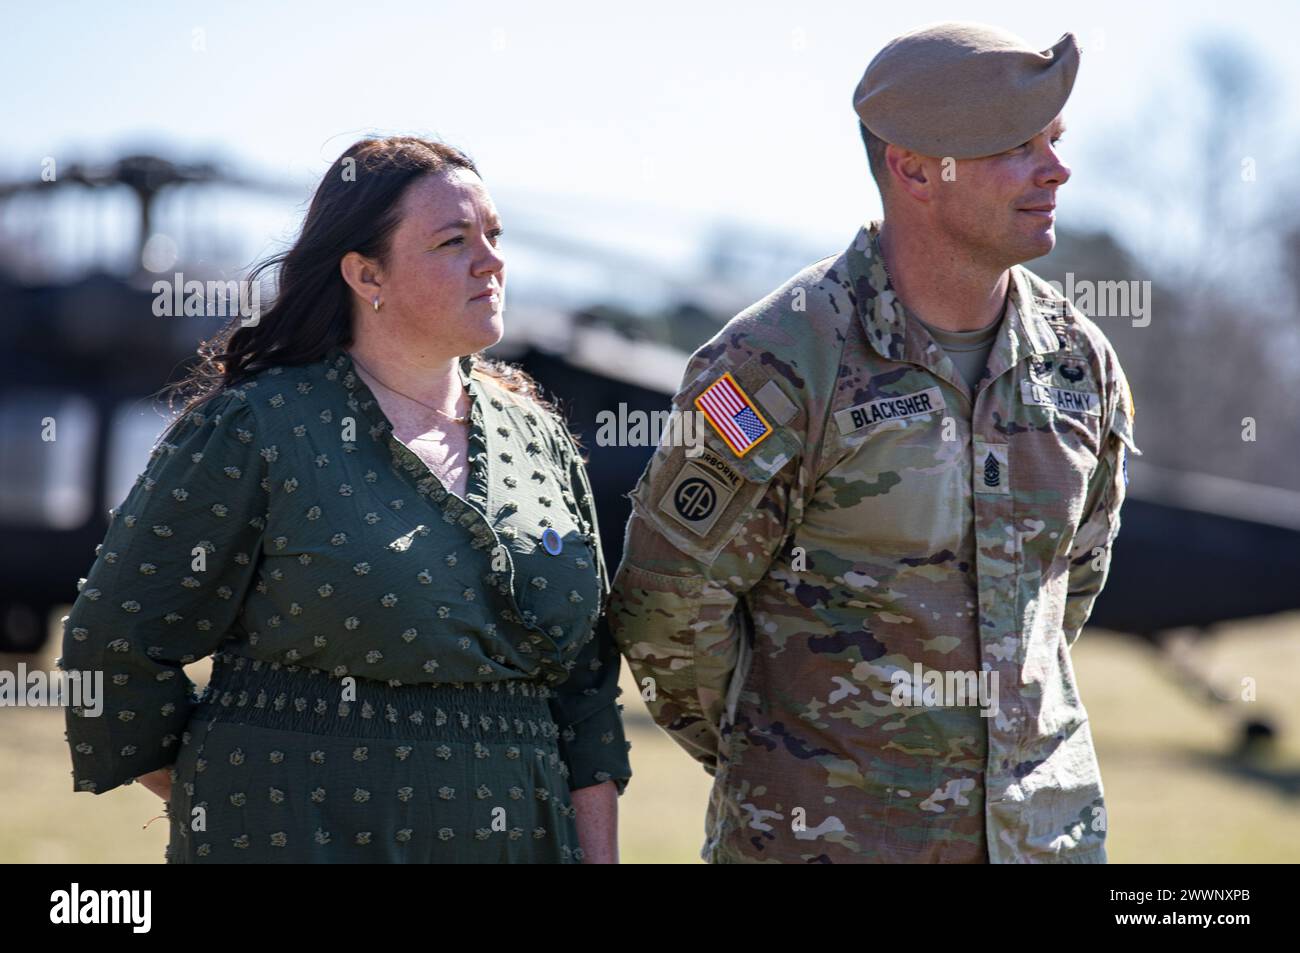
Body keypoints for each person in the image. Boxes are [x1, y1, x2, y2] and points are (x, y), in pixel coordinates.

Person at [608, 22, 1140, 863]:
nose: (1056, 168)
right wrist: (797, 766)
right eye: (1016, 146)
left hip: (1044, 842)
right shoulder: (780, 362)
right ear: (914, 168)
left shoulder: (1079, 362)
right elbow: (667, 608)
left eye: (1056, 139)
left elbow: (1066, 589)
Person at [59, 135, 631, 863]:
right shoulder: (257, 427)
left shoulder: (542, 440)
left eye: (494, 234)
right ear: (367, 274)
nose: (491, 260)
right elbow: (112, 648)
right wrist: (240, 799)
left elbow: (585, 695)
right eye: (454, 241)